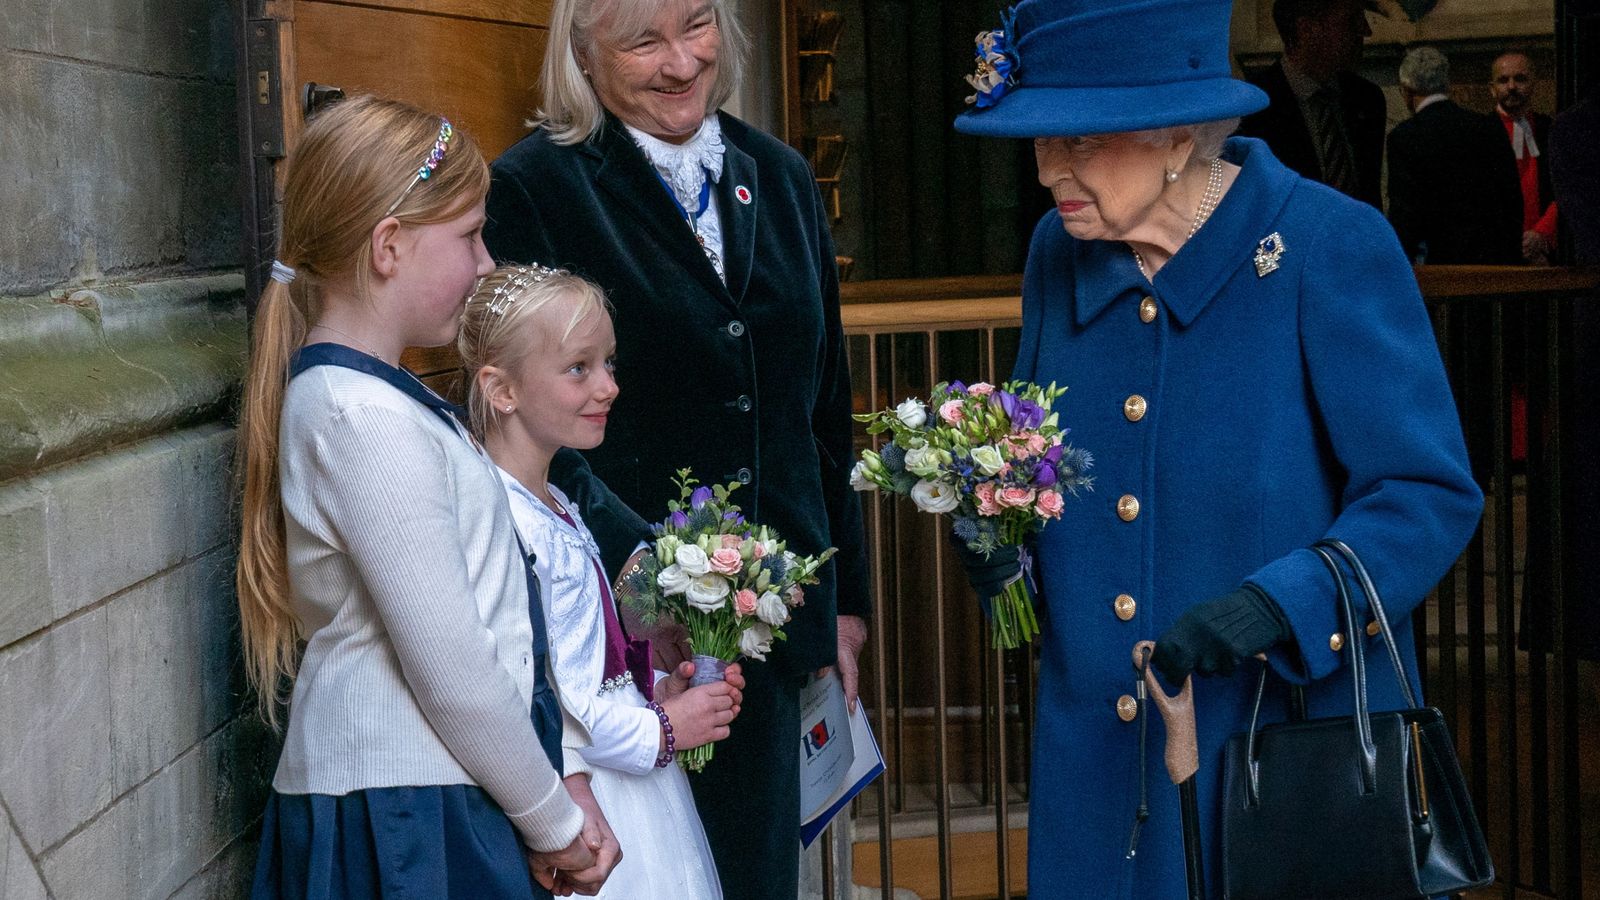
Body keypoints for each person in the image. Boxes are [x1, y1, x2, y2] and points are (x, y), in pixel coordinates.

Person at [952, 0, 1483, 895]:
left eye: (1081, 141)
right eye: (1040, 141)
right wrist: (1004, 545)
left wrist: (1279, 605)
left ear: (1176, 134)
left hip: (1270, 757)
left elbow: (1426, 494)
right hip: (1098, 766)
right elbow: (1049, 459)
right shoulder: (1059, 251)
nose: (1049, 171)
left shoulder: (1328, 245)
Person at [481, 1, 872, 895]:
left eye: (696, 25)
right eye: (644, 42)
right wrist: (646, 576)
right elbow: (534, 432)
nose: (681, 62)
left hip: (773, 628)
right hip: (627, 648)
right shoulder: (535, 189)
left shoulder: (780, 176)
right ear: (581, 51)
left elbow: (824, 405)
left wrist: (843, 603)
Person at [235, 96, 620, 899]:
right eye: (469, 236)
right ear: (388, 246)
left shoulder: (383, 398)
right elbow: (450, 662)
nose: (486, 264)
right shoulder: (359, 417)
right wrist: (551, 819)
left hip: (435, 793)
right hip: (403, 815)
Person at [459, 264, 746, 898]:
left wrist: (656, 693)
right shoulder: (508, 520)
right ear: (500, 389)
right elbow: (557, 710)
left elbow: (592, 668)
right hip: (595, 801)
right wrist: (666, 729)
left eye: (608, 364)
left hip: (631, 779)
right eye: (578, 369)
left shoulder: (557, 501)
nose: (609, 386)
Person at [1239, 0, 1387, 208]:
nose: (1366, 31)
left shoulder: (1367, 100)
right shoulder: (1253, 108)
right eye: (1351, 20)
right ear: (1307, 29)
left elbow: (1370, 196)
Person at [1386, 46, 1523, 264]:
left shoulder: (1405, 137)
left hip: (1439, 265)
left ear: (1407, 90)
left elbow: (1405, 215)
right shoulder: (1487, 127)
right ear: (1447, 84)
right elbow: (1512, 200)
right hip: (1493, 264)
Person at [1491, 51, 1559, 264]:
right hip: (1498, 251)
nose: (1511, 86)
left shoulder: (1550, 130)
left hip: (1546, 250)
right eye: (1503, 80)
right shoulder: (1480, 132)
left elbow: (1565, 188)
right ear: (1492, 89)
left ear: (1534, 83)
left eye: (1520, 78)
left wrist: (1541, 234)